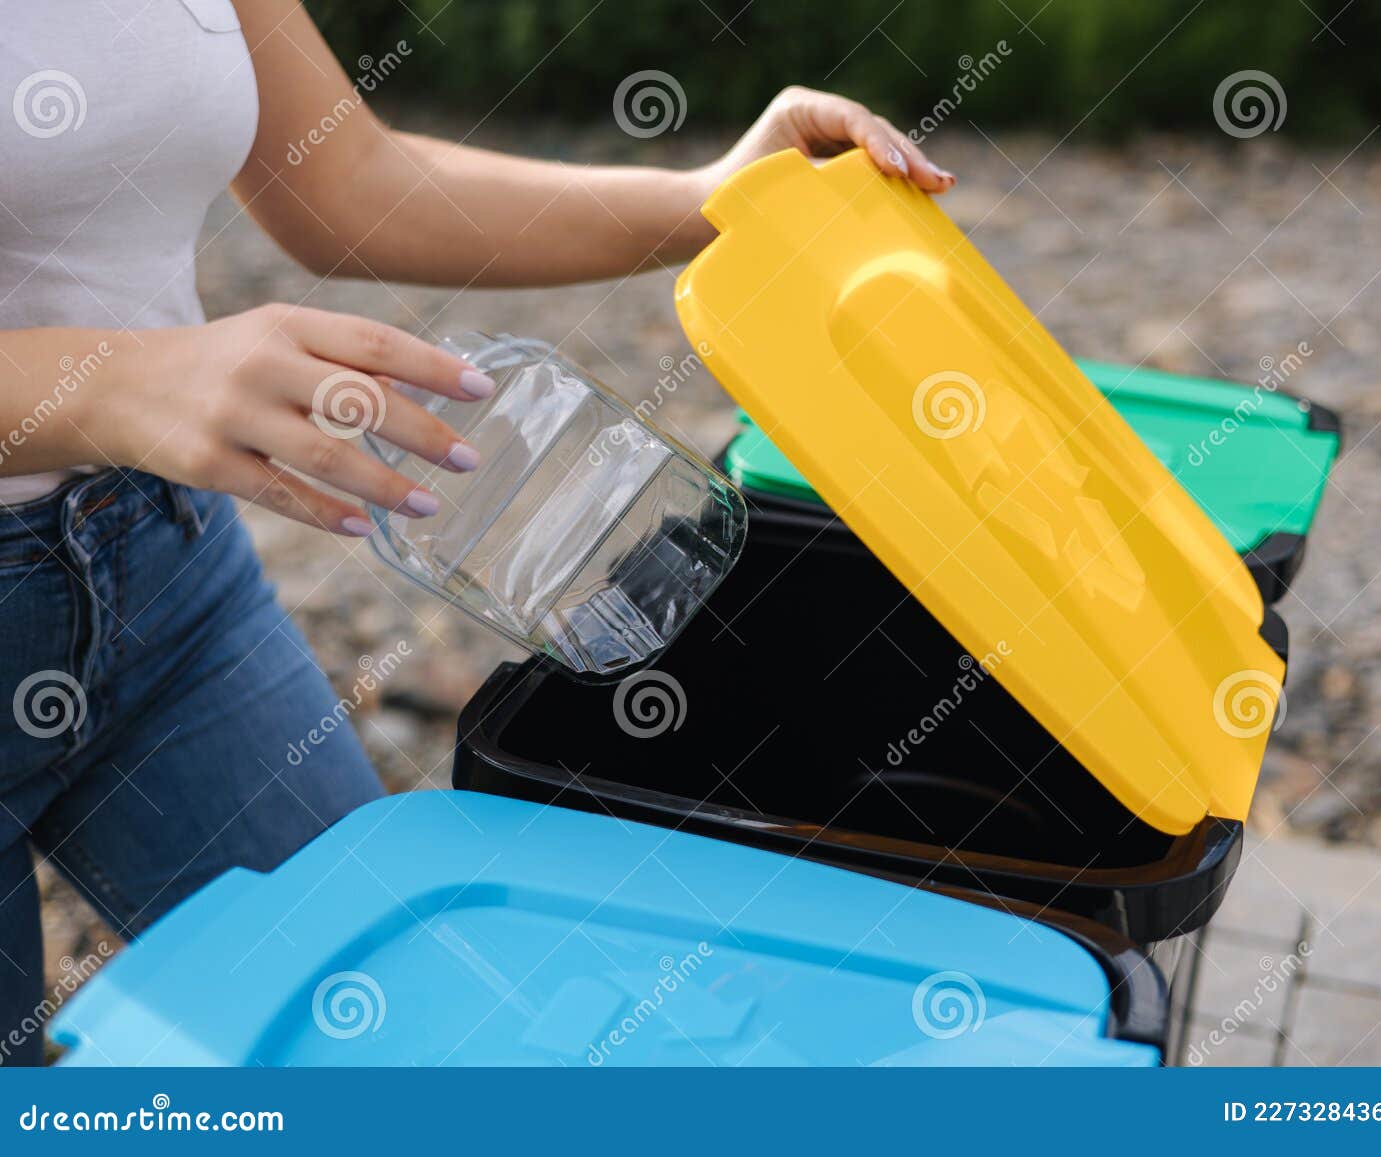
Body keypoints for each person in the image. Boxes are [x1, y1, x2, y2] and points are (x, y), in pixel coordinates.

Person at [0, 0, 952, 1065]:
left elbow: (344, 180)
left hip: (168, 567)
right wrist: (117, 380)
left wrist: (707, 198)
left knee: (400, 1041)